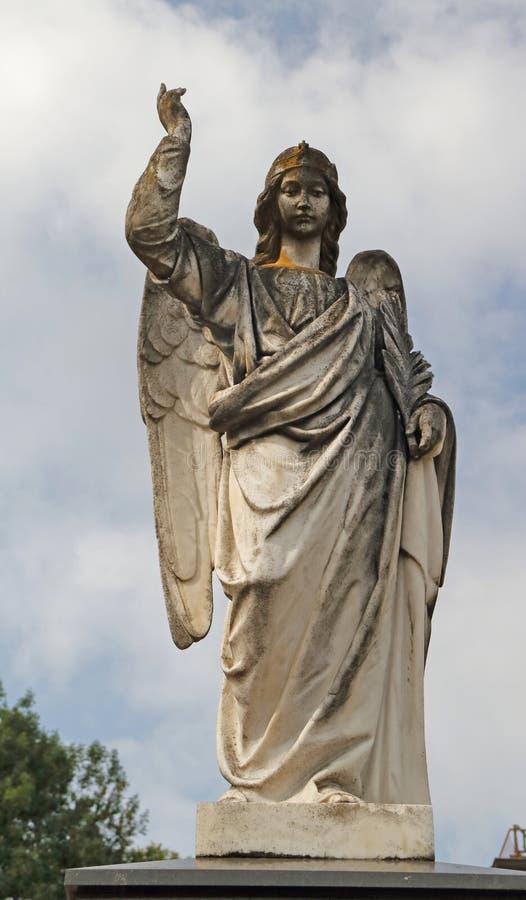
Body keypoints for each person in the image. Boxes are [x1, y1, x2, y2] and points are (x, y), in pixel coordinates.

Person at [126, 85, 455, 805]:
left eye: (317, 191)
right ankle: (254, 780)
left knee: (349, 619)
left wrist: (427, 414)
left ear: (335, 210)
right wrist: (176, 144)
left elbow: (402, 380)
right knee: (262, 600)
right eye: (290, 188)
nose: (304, 200)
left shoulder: (360, 297)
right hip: (264, 466)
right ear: (271, 204)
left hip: (358, 463)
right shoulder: (235, 283)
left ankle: (336, 776)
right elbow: (151, 237)